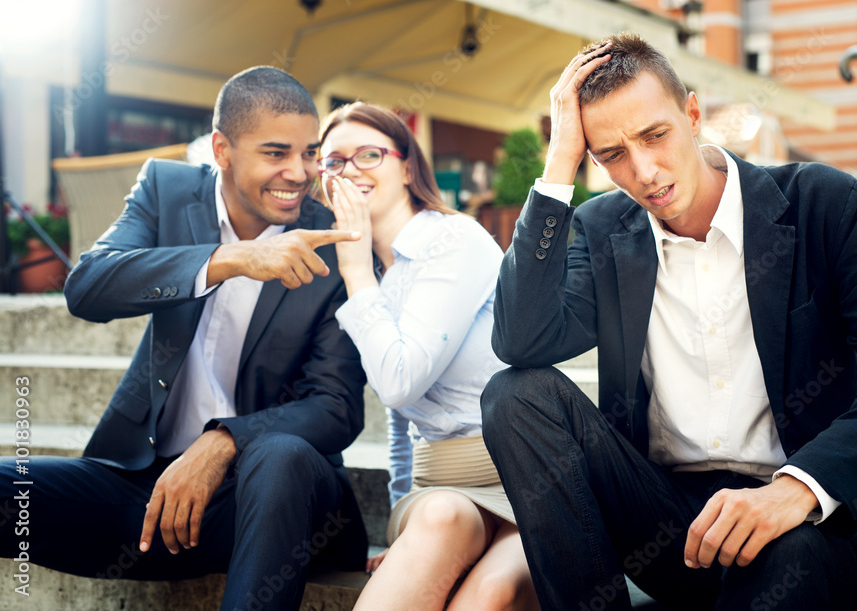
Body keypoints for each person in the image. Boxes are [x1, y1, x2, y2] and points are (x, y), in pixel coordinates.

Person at [481, 33, 857, 610]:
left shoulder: (820, 203)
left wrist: (799, 489)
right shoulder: (601, 228)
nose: (643, 171)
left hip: (803, 523)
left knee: (791, 559)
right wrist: (558, 167)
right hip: (670, 528)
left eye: (654, 135)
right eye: (612, 154)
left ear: (692, 114)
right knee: (515, 394)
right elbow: (521, 340)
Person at [0, 66, 370, 610]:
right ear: (222, 149)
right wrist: (227, 259)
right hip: (149, 494)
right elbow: (88, 287)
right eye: (275, 153)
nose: (299, 173)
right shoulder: (166, 190)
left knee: (282, 456)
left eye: (309, 153)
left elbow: (336, 407)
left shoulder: (332, 241)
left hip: (277, 504)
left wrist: (222, 442)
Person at [317, 102, 539, 610]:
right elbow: (402, 415)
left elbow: (399, 380)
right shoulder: (373, 278)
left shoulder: (453, 240)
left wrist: (355, 273)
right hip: (443, 492)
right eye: (333, 162)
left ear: (408, 166)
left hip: (529, 479)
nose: (349, 169)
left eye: (368, 154)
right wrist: (402, 522)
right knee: (438, 516)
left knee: (491, 596)